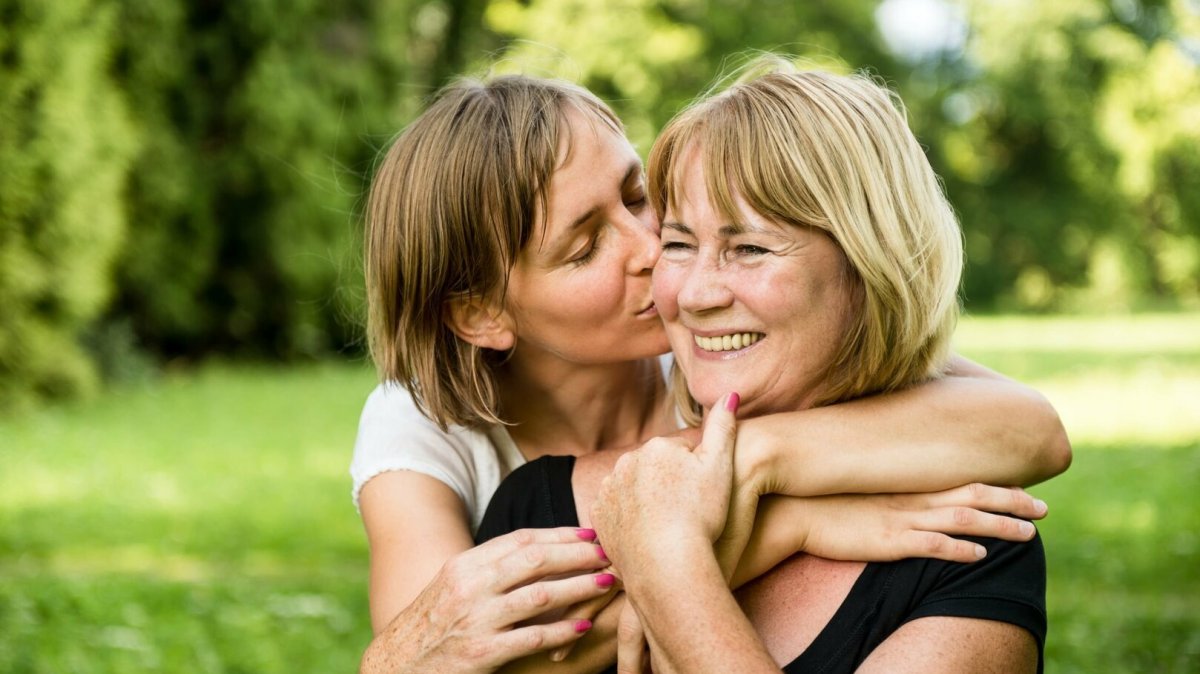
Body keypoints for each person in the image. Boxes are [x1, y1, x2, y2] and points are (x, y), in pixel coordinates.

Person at [354, 73, 1070, 673]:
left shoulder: (719, 348)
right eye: (583, 248)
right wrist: (784, 524)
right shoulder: (429, 431)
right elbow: (445, 647)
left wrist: (749, 461)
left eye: (640, 199)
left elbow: (1028, 426)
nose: (655, 255)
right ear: (480, 314)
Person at [580, 63, 1053, 672]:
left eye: (749, 248)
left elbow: (1038, 428)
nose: (694, 295)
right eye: (677, 243)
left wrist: (673, 577)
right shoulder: (545, 498)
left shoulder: (962, 537)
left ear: (869, 269)